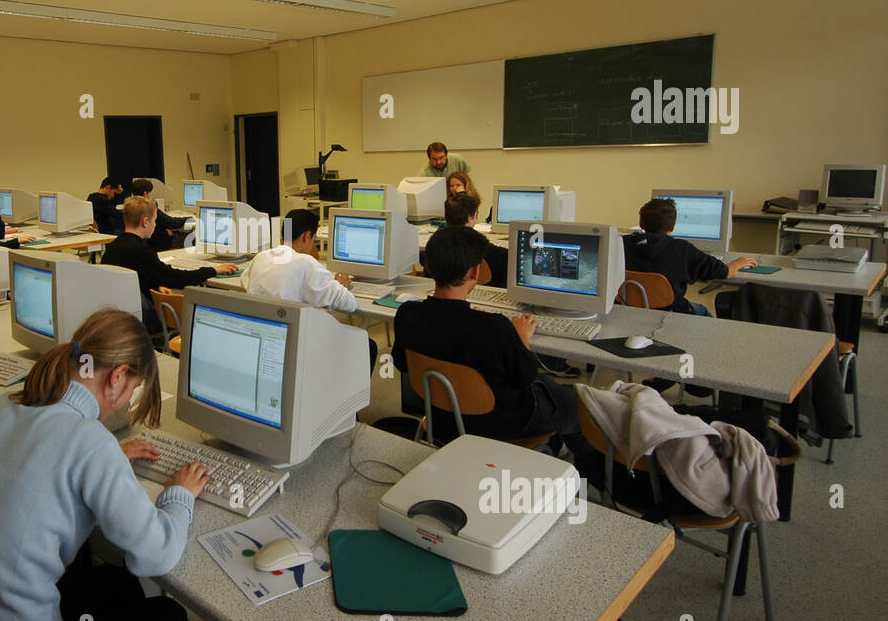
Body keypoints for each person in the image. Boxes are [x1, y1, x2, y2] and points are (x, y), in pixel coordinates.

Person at [0, 309, 209, 621]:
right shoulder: (88, 442)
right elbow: (155, 553)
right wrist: (180, 495)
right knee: (168, 616)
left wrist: (110, 454)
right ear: (118, 376)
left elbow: (42, 457)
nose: (127, 401)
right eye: (133, 389)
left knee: (109, 580)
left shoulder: (2, 406)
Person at [392, 226, 594, 468]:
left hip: (441, 420)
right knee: (578, 403)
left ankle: (555, 448)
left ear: (430, 267)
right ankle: (585, 473)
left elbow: (403, 364)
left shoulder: (407, 314)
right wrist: (519, 339)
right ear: (475, 271)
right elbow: (526, 377)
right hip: (498, 426)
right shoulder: (495, 327)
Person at [243, 208, 377, 370]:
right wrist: (338, 285)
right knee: (367, 344)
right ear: (307, 236)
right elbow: (349, 304)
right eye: (313, 240)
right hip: (297, 343)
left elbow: (245, 280)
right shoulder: (306, 263)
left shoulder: (261, 257)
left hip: (263, 338)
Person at [102, 197, 236, 329]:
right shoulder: (142, 251)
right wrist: (213, 270)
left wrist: (156, 286)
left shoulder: (112, 248)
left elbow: (137, 277)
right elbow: (176, 279)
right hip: (145, 319)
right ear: (145, 222)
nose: (155, 225)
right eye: (154, 221)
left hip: (118, 315)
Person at [624, 198, 757, 315]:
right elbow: (724, 272)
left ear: (641, 224)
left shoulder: (621, 244)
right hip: (671, 312)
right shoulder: (682, 249)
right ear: (673, 226)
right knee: (703, 311)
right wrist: (737, 263)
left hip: (628, 307)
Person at [444, 192, 506, 287]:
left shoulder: (438, 240)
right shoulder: (476, 242)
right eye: (477, 213)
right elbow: (505, 258)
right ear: (470, 217)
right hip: (482, 289)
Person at [131, 178, 188, 251]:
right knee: (190, 237)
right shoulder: (148, 208)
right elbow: (171, 222)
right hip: (159, 242)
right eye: (149, 192)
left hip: (148, 241)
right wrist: (190, 218)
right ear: (145, 193)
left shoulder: (131, 207)